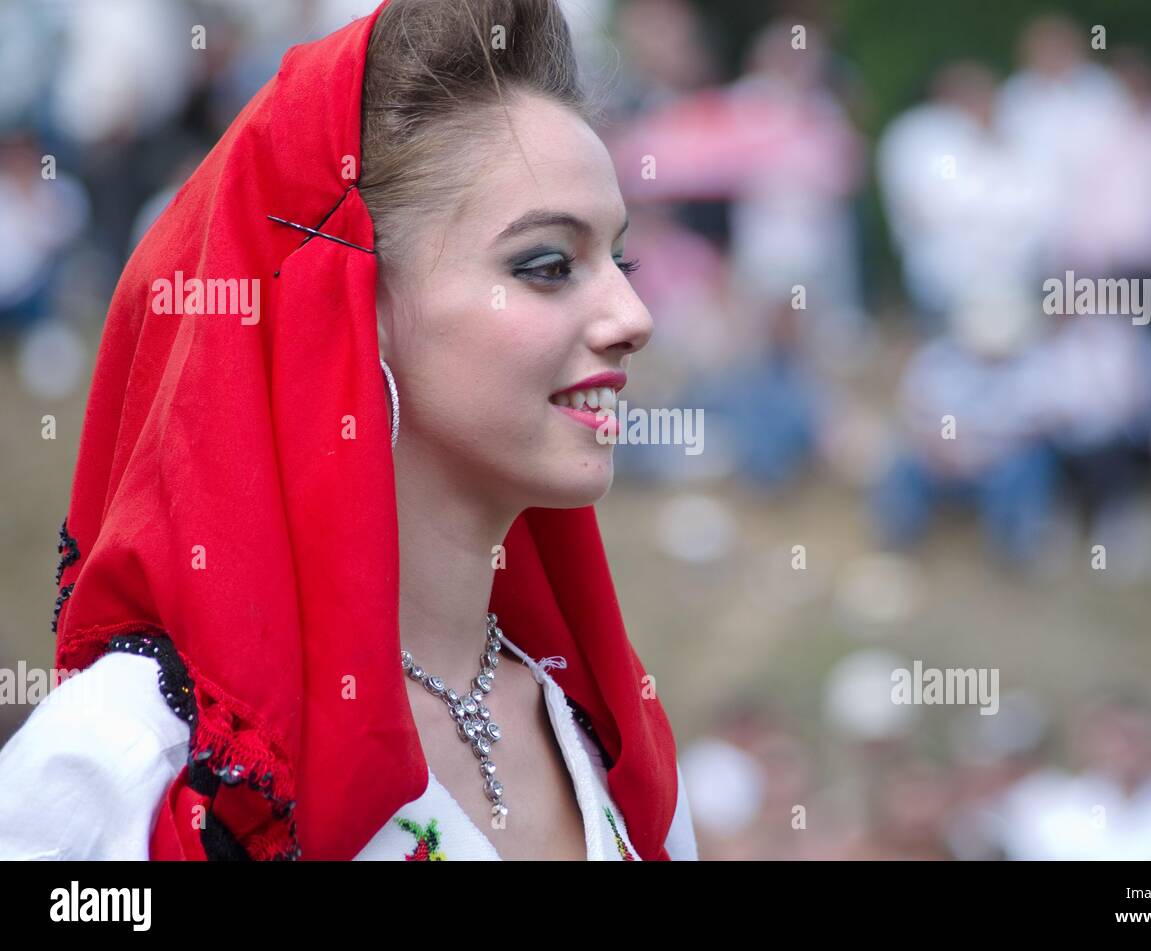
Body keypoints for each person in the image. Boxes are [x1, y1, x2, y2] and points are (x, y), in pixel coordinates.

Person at [0, 0, 697, 862]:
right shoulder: (132, 766)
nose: (632, 316)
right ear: (352, 312)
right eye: (547, 265)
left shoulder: (608, 740)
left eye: (619, 262)